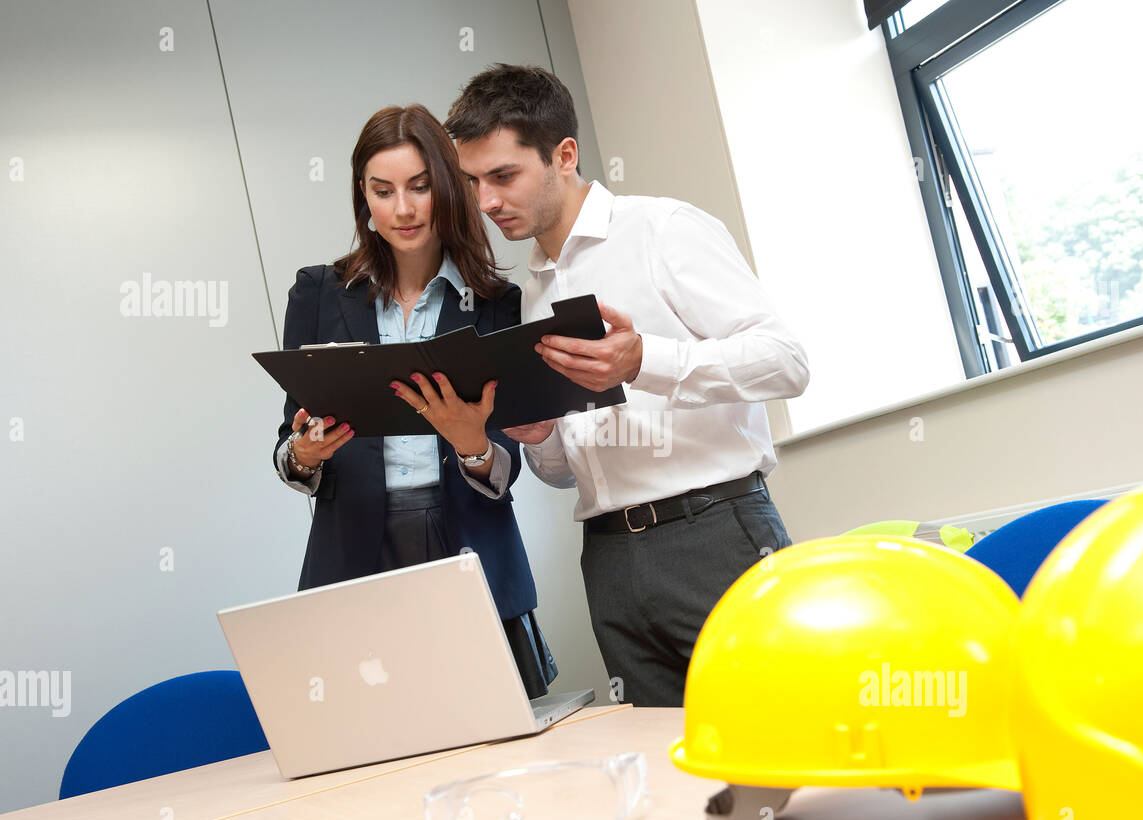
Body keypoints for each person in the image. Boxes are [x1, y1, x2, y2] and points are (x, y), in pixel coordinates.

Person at [446, 65, 809, 707]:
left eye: (503, 176)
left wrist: (645, 361)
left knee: (785, 739)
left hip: (714, 533)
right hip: (609, 559)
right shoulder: (532, 291)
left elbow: (785, 362)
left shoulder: (662, 230)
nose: (486, 201)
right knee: (669, 779)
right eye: (473, 181)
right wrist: (540, 438)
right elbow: (564, 474)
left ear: (564, 155)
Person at [273, 104, 557, 698]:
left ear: (448, 189)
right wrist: (306, 451)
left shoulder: (498, 304)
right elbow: (289, 449)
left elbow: (505, 472)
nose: (402, 209)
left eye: (419, 187)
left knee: (491, 732)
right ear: (364, 198)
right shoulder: (319, 294)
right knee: (371, 745)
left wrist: (473, 444)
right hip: (354, 547)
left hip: (470, 543)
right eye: (383, 191)